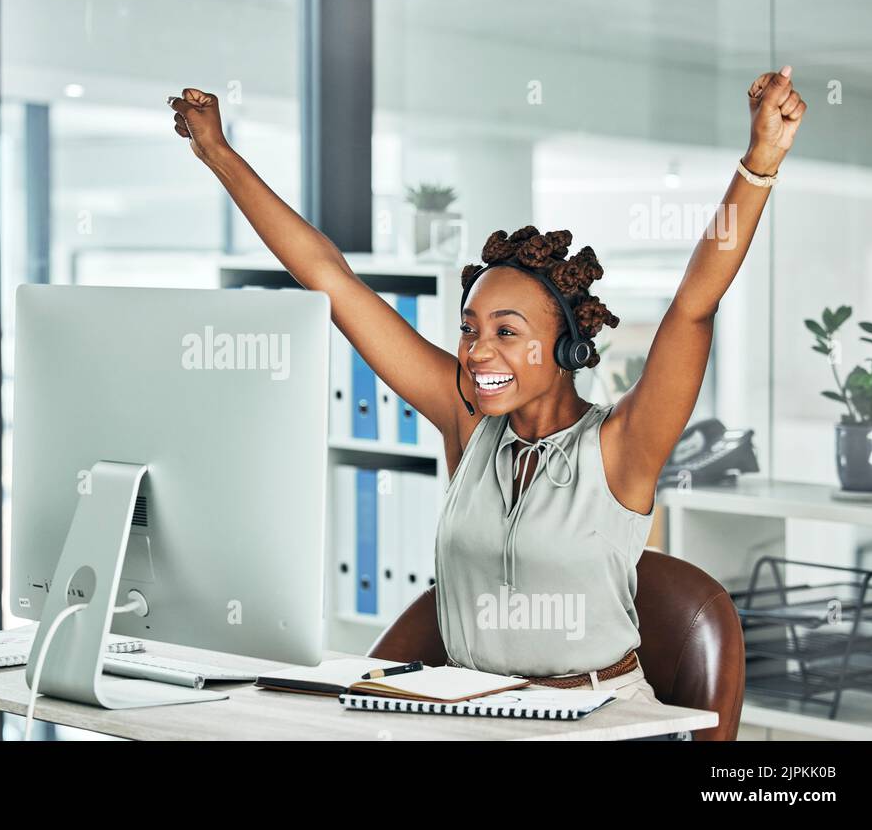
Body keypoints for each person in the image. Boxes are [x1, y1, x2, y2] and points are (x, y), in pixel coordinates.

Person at [166, 66, 805, 704]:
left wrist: (760, 161)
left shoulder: (621, 446)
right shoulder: (467, 420)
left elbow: (693, 306)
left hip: (595, 719)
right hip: (473, 709)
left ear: (565, 346)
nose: (476, 352)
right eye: (470, 329)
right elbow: (330, 277)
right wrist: (219, 154)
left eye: (506, 331)